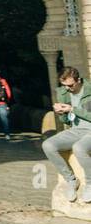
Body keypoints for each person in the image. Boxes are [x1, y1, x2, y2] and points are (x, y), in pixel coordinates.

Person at [46, 67, 91, 203]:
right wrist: (61, 114)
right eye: (64, 85)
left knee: (79, 148)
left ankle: (90, 183)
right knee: (48, 145)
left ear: (78, 81)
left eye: (70, 85)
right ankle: (71, 180)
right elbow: (66, 120)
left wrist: (73, 109)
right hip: (76, 130)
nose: (67, 88)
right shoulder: (64, 93)